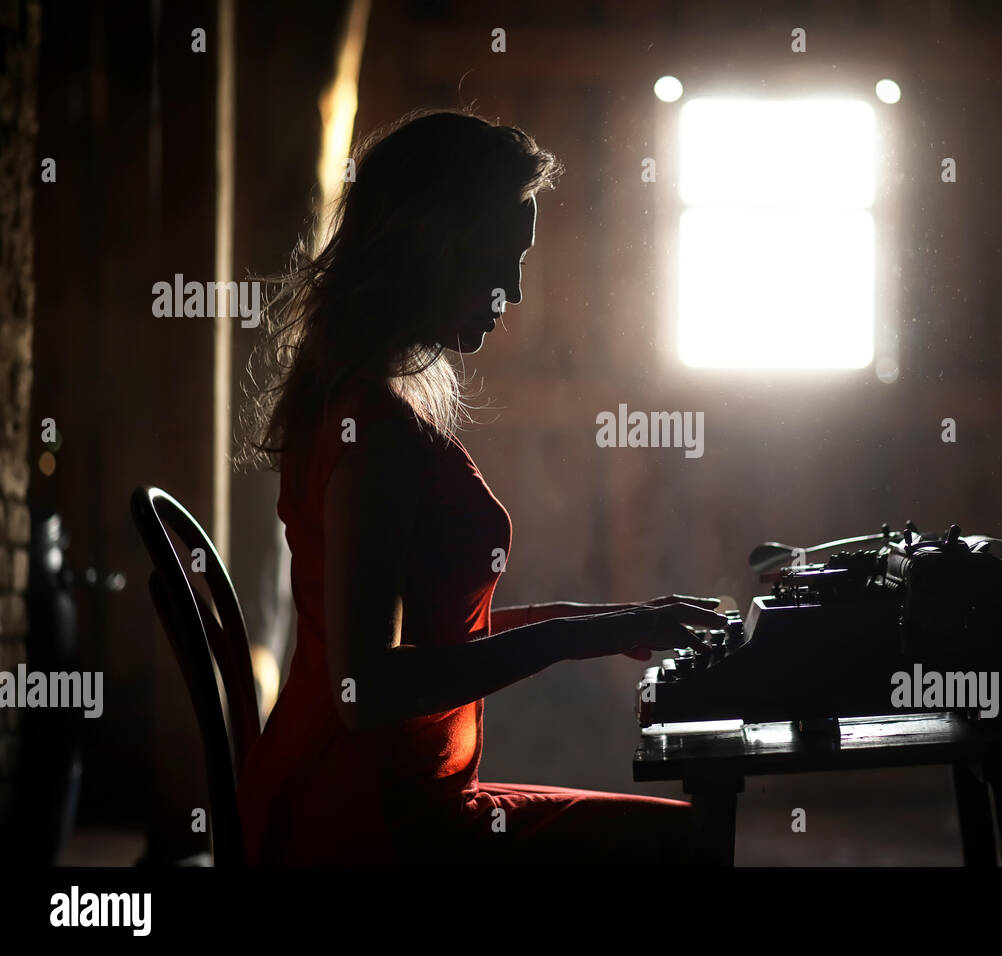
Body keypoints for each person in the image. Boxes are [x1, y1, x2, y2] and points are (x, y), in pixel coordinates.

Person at [235, 108, 726, 866]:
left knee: (673, 835)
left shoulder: (359, 404)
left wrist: (612, 621)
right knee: (682, 842)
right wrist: (572, 637)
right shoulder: (374, 431)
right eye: (505, 257)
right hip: (368, 823)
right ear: (433, 247)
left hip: (380, 793)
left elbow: (432, 632)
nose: (517, 291)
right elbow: (367, 688)